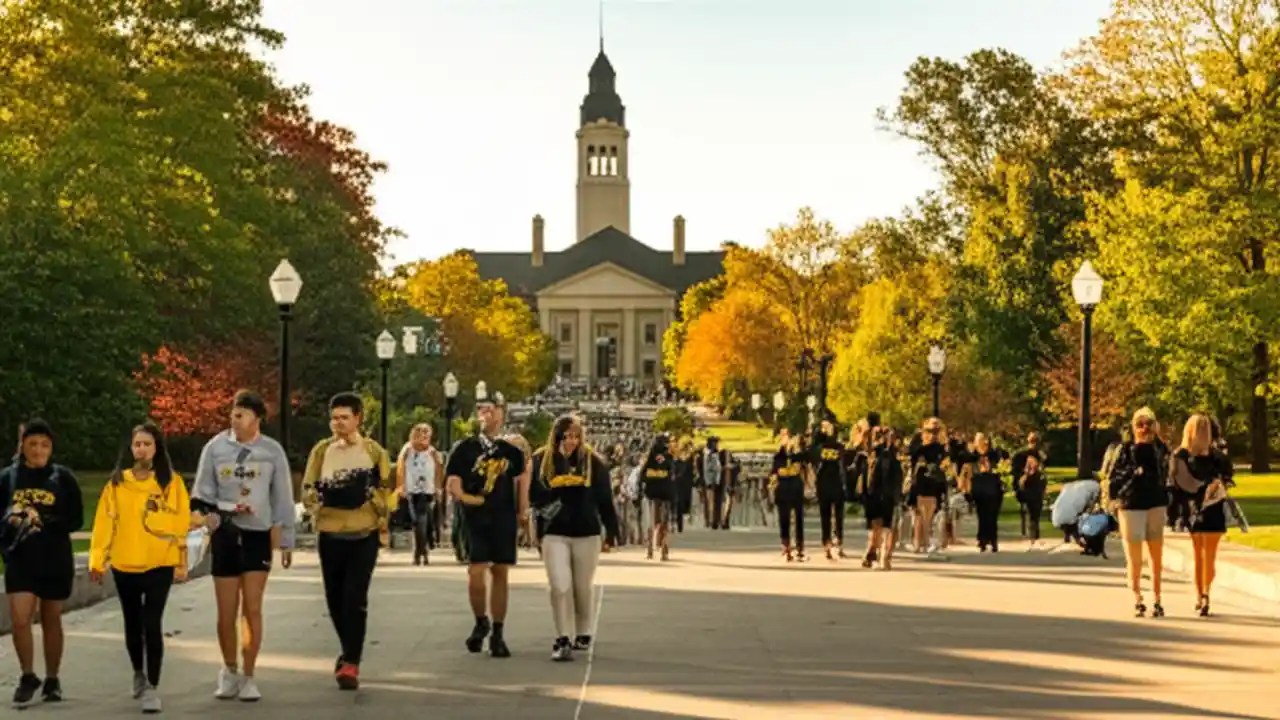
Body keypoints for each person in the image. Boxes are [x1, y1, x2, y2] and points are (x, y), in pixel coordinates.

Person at [191, 390, 296, 701]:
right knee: (226, 611)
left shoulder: (271, 451)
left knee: (252, 607)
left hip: (257, 535)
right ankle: (229, 669)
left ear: (256, 419)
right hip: (226, 533)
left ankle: (249, 675)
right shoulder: (215, 448)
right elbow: (202, 492)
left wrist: (286, 538)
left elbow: (282, 497)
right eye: (232, 415)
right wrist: (208, 514)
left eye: (241, 415)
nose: (234, 421)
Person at [88, 422, 191, 714]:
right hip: (125, 563)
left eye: (147, 443)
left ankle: (152, 687)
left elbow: (180, 523)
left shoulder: (171, 483)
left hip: (159, 562)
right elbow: (104, 523)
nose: (142, 448)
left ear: (157, 447)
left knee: (152, 622)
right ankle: (138, 671)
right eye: (137, 444)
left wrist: (181, 561)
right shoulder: (117, 484)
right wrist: (98, 558)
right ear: (131, 449)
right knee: (132, 623)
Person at [300, 392, 393, 689]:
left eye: (344, 417)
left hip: (362, 533)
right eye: (334, 418)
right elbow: (308, 487)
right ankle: (347, 650)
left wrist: (367, 497)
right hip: (330, 533)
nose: (338, 423)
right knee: (335, 600)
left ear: (357, 419)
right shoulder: (322, 450)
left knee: (355, 599)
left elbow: (389, 490)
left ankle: (352, 661)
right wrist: (321, 499)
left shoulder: (374, 451)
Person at [1, 420, 83, 708]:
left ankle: (52, 678)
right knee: (21, 619)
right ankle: (27, 675)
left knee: (51, 618)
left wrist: (43, 521)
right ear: (22, 446)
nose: (38, 450)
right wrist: (13, 523)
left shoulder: (62, 478)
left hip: (54, 558)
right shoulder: (8, 479)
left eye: (44, 445)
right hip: (21, 560)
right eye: (33, 444)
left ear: (51, 448)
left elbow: (77, 519)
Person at [445, 391, 530, 659]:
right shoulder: (464, 448)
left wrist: (522, 514)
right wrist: (471, 499)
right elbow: (453, 485)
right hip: (474, 519)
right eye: (482, 408)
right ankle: (481, 620)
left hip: (502, 517)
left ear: (503, 413)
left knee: (501, 572)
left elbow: (522, 481)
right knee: (476, 569)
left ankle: (498, 631)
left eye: (493, 408)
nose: (487, 413)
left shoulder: (511, 452)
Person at [530, 416, 619, 661]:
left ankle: (583, 630)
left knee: (581, 586)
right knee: (560, 585)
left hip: (586, 531)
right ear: (556, 437)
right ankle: (562, 638)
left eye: (575, 436)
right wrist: (559, 472)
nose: (570, 441)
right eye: (565, 436)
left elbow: (605, 499)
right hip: (554, 531)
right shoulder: (541, 460)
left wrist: (611, 532)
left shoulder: (593, 462)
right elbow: (534, 496)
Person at [1107, 407, 1170, 618]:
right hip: (1131, 503)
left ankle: (1157, 597)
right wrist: (1133, 473)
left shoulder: (1160, 449)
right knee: (1134, 556)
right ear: (1133, 428)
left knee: (1156, 553)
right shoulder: (1125, 450)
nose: (1144, 429)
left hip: (1156, 502)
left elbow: (1168, 474)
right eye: (1139, 424)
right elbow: (1113, 480)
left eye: (1148, 424)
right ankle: (1137, 596)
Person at [1168, 414, 1233, 617]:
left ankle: (1204, 593)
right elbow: (1177, 484)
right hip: (1197, 510)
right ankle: (1202, 594)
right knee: (1202, 555)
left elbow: (1227, 479)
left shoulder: (1214, 457)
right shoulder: (1184, 457)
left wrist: (1219, 485)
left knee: (1205, 556)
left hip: (1209, 508)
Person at [396, 424, 444, 566]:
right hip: (411, 491)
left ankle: (423, 549)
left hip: (428, 491)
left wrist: (438, 488)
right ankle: (419, 550)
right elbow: (400, 468)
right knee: (416, 521)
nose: (422, 438)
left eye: (426, 435)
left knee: (425, 521)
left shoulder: (433, 452)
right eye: (419, 435)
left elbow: (439, 470)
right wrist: (401, 487)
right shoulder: (407, 450)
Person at [860, 427, 903, 570]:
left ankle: (878, 554)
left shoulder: (881, 455)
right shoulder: (877, 455)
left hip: (881, 493)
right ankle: (880, 555)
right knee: (883, 527)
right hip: (880, 494)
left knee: (881, 526)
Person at [908, 418, 949, 554]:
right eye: (930, 430)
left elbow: (945, 461)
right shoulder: (918, 444)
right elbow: (911, 456)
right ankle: (917, 542)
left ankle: (926, 542)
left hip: (934, 481)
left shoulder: (941, 446)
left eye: (936, 430)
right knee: (918, 513)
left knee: (929, 514)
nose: (933, 433)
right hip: (920, 480)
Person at [770, 434, 810, 562]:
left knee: (796, 520)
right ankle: (788, 547)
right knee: (786, 520)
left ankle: (797, 548)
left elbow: (806, 468)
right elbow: (773, 475)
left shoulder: (798, 456)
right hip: (786, 491)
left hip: (793, 491)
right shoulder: (779, 458)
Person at [812, 418, 848, 560]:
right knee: (825, 515)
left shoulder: (838, 446)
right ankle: (826, 544)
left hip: (837, 482)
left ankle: (839, 543)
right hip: (823, 483)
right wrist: (820, 432)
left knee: (839, 516)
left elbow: (843, 462)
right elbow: (812, 451)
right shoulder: (818, 447)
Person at [968, 433, 1006, 553]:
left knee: (992, 516)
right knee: (982, 515)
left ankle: (993, 540)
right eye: (979, 441)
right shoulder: (972, 456)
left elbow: (1003, 461)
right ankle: (982, 540)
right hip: (979, 486)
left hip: (993, 486)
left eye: (983, 441)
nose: (982, 443)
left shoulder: (994, 454)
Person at [639, 434, 675, 561]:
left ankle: (650, 549)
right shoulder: (669, 458)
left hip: (651, 494)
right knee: (665, 521)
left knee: (651, 522)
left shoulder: (649, 458)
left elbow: (642, 476)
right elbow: (673, 475)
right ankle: (664, 549)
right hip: (666, 493)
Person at [1011, 432, 1048, 538]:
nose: (1034, 444)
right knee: (1033, 501)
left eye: (1035, 441)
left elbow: (1043, 471)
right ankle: (1033, 526)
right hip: (1025, 487)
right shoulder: (1020, 455)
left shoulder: (1040, 455)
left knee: (1036, 502)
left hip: (1035, 486)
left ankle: (1034, 526)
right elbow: (1016, 475)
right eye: (1033, 441)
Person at [695, 437, 732, 529]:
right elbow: (700, 468)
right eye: (714, 443)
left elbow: (721, 467)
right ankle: (711, 521)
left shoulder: (720, 454)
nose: (715, 445)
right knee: (709, 502)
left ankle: (717, 520)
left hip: (718, 481)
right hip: (707, 482)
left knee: (718, 501)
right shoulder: (703, 455)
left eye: (716, 443)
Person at [1018, 454, 1049, 549]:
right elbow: (1022, 485)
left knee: (1035, 518)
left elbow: (1043, 485)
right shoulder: (1027, 475)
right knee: (1032, 518)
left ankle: (1035, 536)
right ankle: (1033, 537)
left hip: (1036, 498)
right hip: (1030, 499)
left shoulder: (1039, 475)